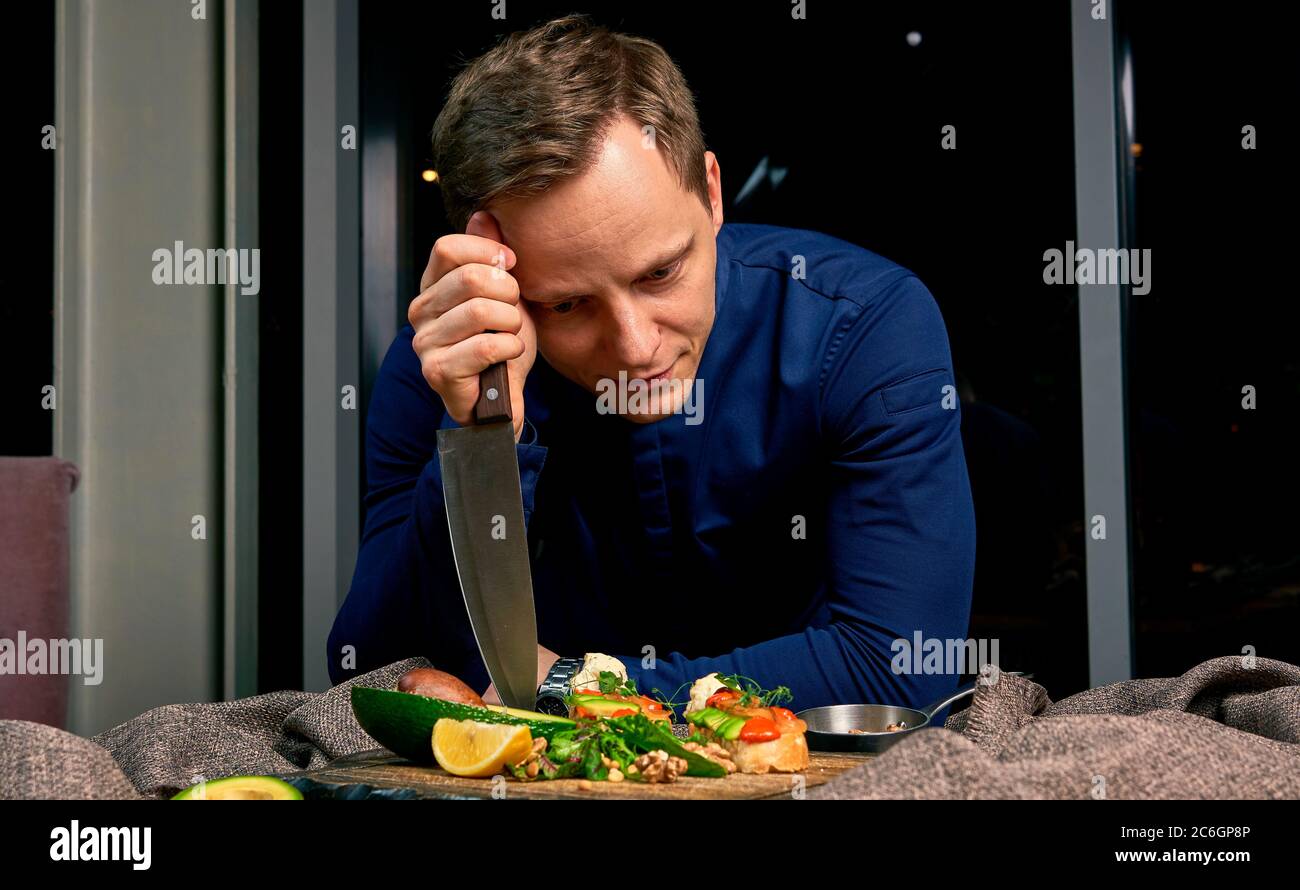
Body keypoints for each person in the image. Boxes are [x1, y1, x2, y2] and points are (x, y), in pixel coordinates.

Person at [327, 14, 975, 711]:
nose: (635, 348)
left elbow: (896, 669)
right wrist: (485, 441)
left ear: (713, 193)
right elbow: (371, 670)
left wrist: (571, 687)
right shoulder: (446, 367)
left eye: (661, 273)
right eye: (567, 304)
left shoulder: (867, 325)